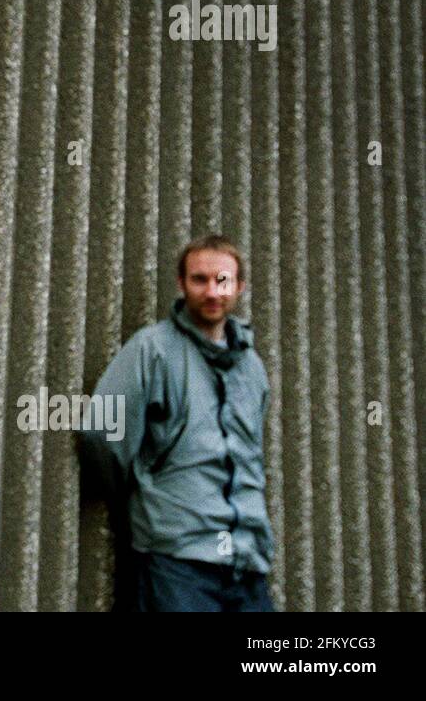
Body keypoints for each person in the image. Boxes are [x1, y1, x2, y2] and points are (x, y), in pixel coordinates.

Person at [79, 235, 275, 611]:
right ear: (182, 284)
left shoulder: (252, 367)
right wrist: (144, 495)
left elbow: (250, 458)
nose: (212, 291)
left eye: (223, 280)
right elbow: (102, 432)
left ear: (240, 287)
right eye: (200, 279)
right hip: (176, 562)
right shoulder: (151, 349)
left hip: (246, 564)